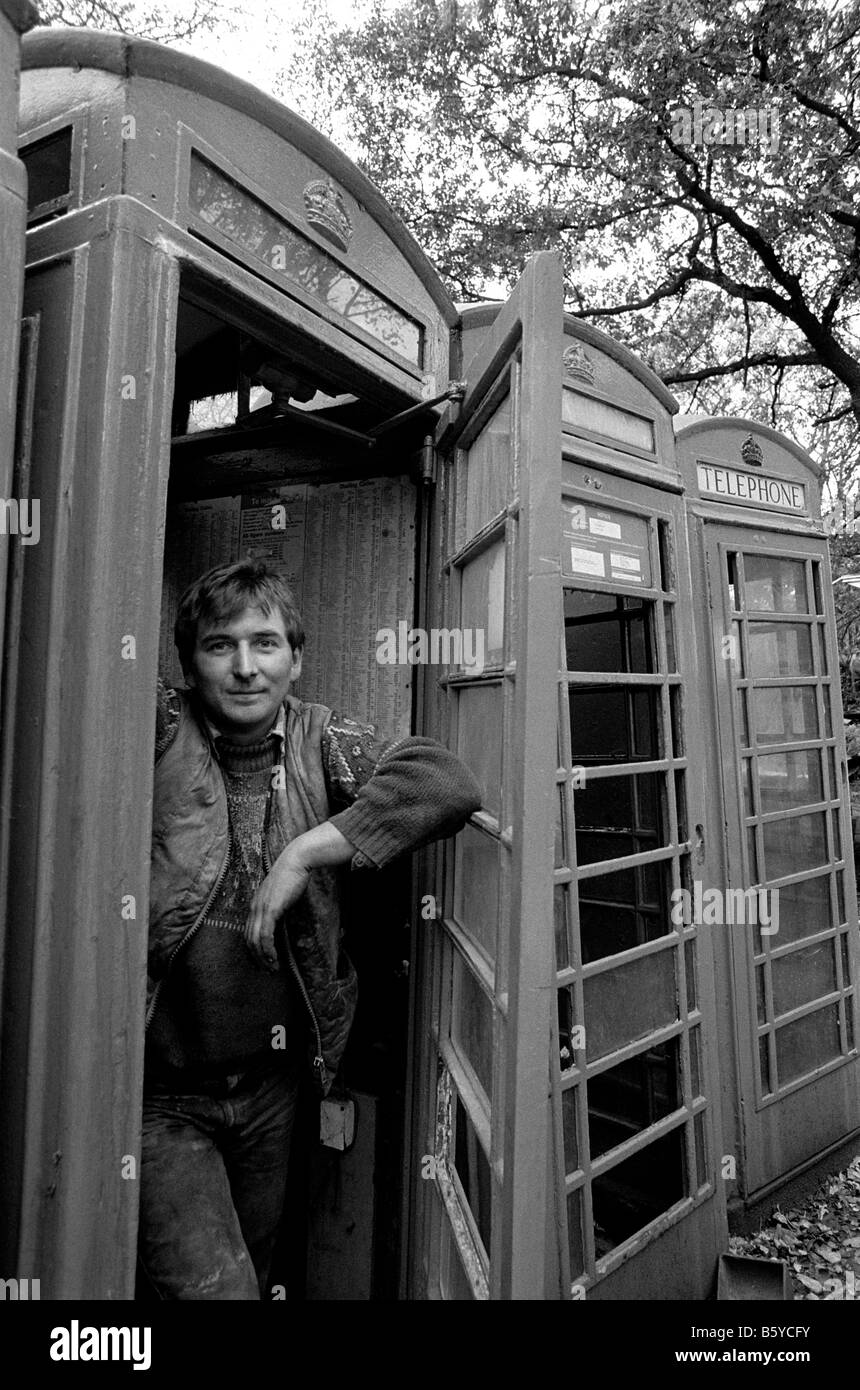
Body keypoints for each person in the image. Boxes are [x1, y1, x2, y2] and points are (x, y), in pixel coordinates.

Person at [138, 559, 482, 1300]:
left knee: (262, 1274)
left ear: (296, 660)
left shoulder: (323, 740)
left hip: (274, 1086)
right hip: (159, 1095)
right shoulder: (163, 728)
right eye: (219, 646)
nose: (244, 667)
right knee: (213, 1290)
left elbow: (447, 782)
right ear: (189, 667)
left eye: (265, 644)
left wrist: (305, 850)